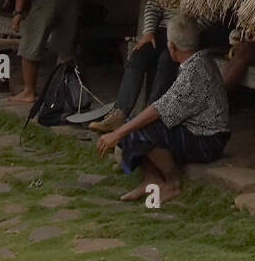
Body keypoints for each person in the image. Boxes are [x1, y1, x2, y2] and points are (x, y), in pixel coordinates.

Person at [96, 14, 229, 202]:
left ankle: (172, 183)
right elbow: (163, 106)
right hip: (195, 131)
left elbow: (160, 110)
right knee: (132, 127)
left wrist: (117, 133)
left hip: (208, 140)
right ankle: (152, 179)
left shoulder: (195, 72)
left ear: (171, 47)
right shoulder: (196, 61)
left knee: (142, 129)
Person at [88, 0, 177, 133]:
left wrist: (185, 34)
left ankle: (150, 117)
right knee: (139, 55)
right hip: (163, 32)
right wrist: (149, 32)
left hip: (186, 33)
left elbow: (208, 14)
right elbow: (153, 5)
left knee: (166, 59)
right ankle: (119, 114)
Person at [7, 0, 82, 104]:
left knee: (30, 45)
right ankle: (65, 92)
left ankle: (28, 91)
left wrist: (18, 11)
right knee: (65, 49)